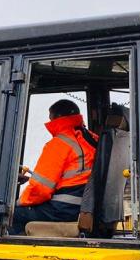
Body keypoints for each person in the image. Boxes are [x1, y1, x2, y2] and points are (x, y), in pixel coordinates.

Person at [11, 99, 97, 234]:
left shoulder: (59, 143)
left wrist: (18, 203)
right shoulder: (92, 139)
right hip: (84, 207)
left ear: (56, 118)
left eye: (50, 118)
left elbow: (40, 189)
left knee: (10, 216)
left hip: (63, 210)